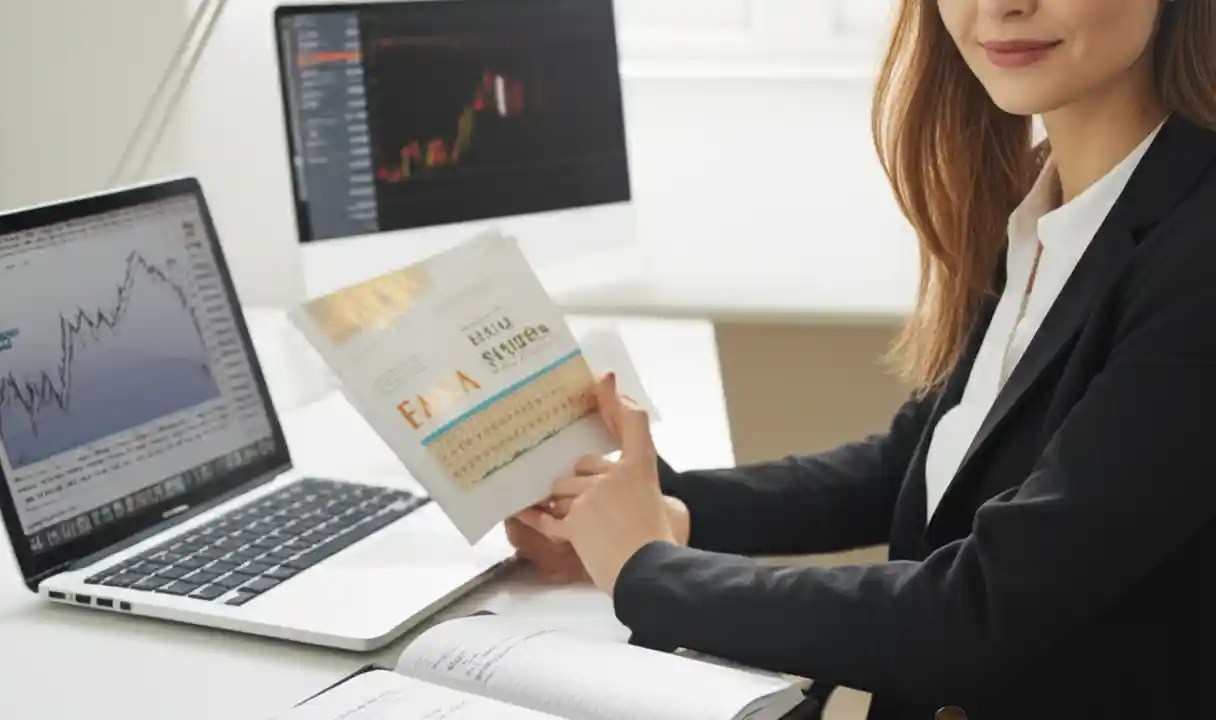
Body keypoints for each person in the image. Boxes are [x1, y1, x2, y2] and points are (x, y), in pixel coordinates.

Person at [505, 0, 1216, 718]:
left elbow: (972, 616)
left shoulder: (1197, 254)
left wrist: (649, 571)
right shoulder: (1053, 197)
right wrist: (670, 513)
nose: (1002, 5)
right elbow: (916, 460)